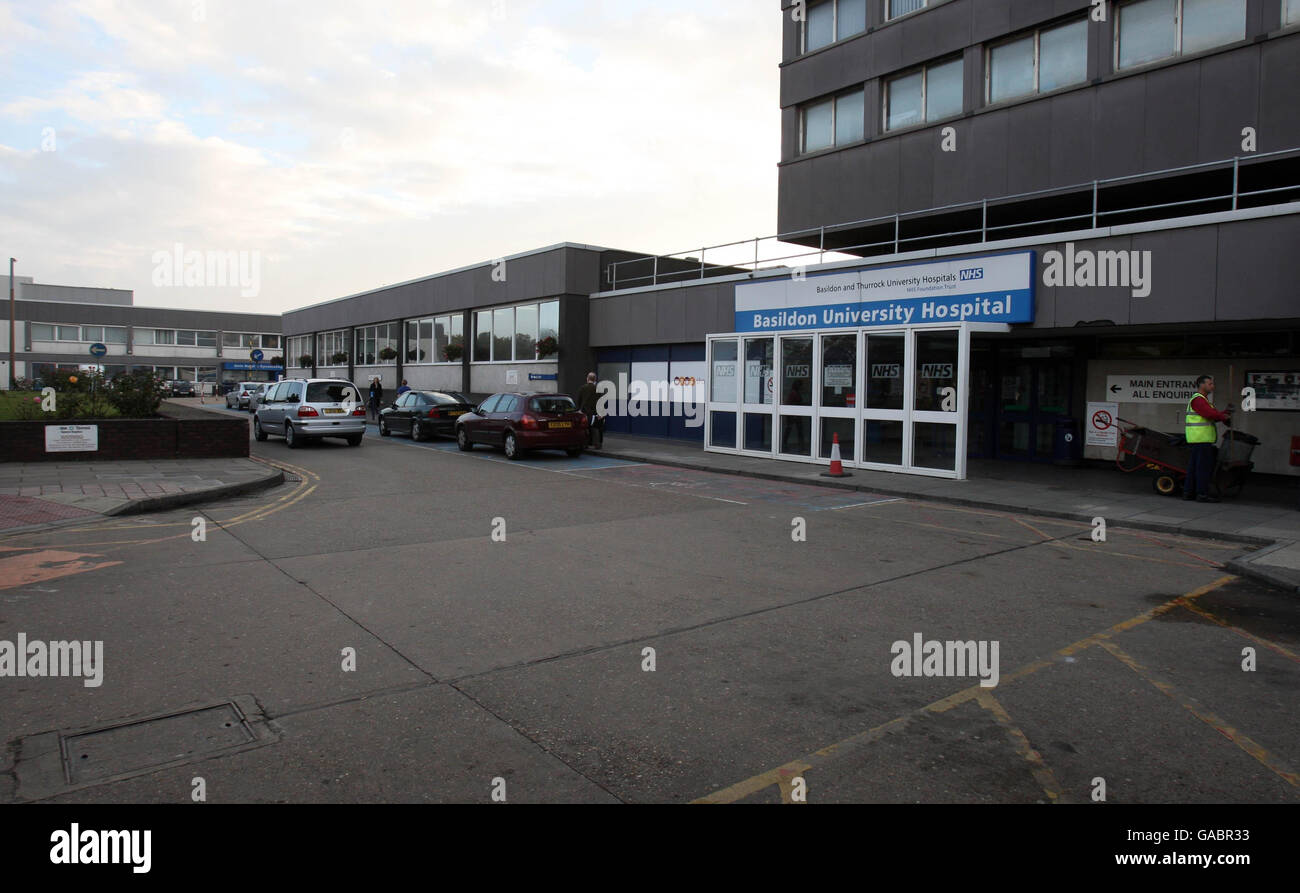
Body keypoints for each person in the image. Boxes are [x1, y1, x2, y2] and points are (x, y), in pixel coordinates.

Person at [1184, 374, 1232, 503]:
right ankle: (1201, 494)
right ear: (1202, 385)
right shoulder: (1199, 400)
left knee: (1194, 467)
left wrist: (1224, 413)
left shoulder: (1202, 400)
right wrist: (1224, 417)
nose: (1213, 386)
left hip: (1198, 439)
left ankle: (1189, 492)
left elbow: (1213, 416)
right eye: (1210, 384)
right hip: (1201, 439)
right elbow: (1210, 414)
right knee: (1203, 468)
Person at [577, 371, 602, 448]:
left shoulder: (582, 388)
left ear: (587, 378)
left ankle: (585, 444)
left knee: (585, 429)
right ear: (595, 379)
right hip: (594, 412)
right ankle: (597, 444)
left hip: (584, 412)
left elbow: (579, 400)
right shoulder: (598, 389)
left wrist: (579, 409)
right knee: (595, 428)